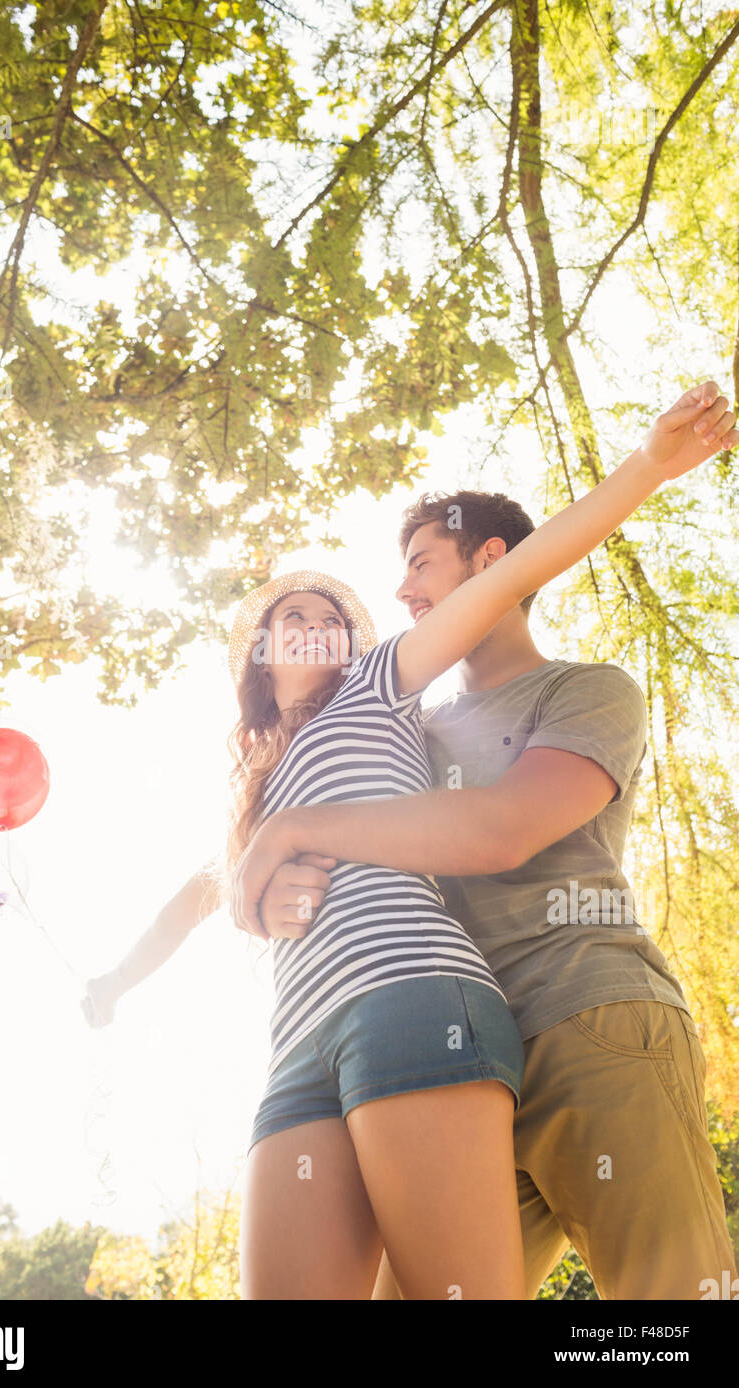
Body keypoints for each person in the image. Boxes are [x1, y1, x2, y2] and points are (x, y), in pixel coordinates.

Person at [84, 380, 738, 1300]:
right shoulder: (408, 738)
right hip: (453, 1040)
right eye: (292, 617)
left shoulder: (517, 693)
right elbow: (214, 889)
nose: (395, 592)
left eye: (421, 565)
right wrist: (234, 906)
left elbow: (500, 828)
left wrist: (648, 466)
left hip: (572, 1013)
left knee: (666, 1308)